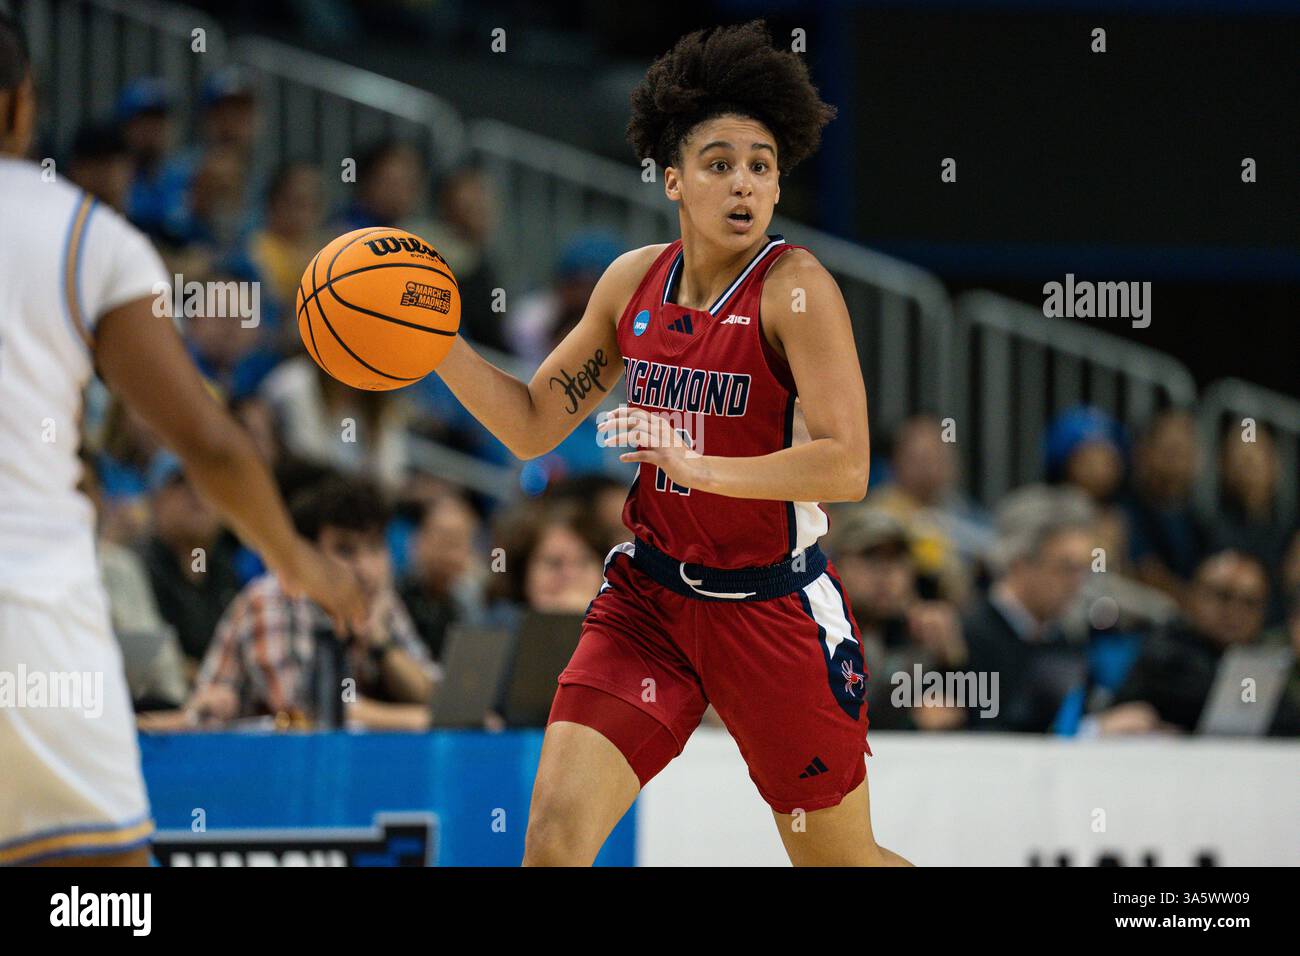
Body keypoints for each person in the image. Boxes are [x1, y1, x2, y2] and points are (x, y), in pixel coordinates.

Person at [430, 21, 908, 866]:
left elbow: (850, 464)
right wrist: (439, 346)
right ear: (673, 181)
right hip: (648, 604)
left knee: (839, 862)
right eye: (719, 162)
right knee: (552, 843)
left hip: (770, 612)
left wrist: (697, 466)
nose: (744, 183)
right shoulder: (631, 281)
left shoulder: (796, 290)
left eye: (762, 165)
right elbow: (532, 422)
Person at [0, 14, 365, 866]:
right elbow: (210, 442)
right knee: (106, 884)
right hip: (26, 607)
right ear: (22, 108)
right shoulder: (85, 234)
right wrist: (297, 562)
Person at [187, 476, 439, 731]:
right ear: (308, 557)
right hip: (232, 761)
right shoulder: (272, 600)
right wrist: (422, 719)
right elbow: (308, 711)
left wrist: (382, 645)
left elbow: (434, 694)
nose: (366, 569)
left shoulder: (379, 600)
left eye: (375, 548)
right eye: (345, 551)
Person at [1093, 550, 1274, 734]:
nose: (1235, 612)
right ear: (1193, 595)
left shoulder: (1264, 658)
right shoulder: (1165, 648)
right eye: (1223, 596)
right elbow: (1193, 702)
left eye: (1250, 602)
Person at [963, 486, 1096, 733]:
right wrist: (1089, 731)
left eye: (1083, 569)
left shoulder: (1065, 640)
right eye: (1066, 568)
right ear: (1020, 564)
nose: (1077, 583)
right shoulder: (968, 637)